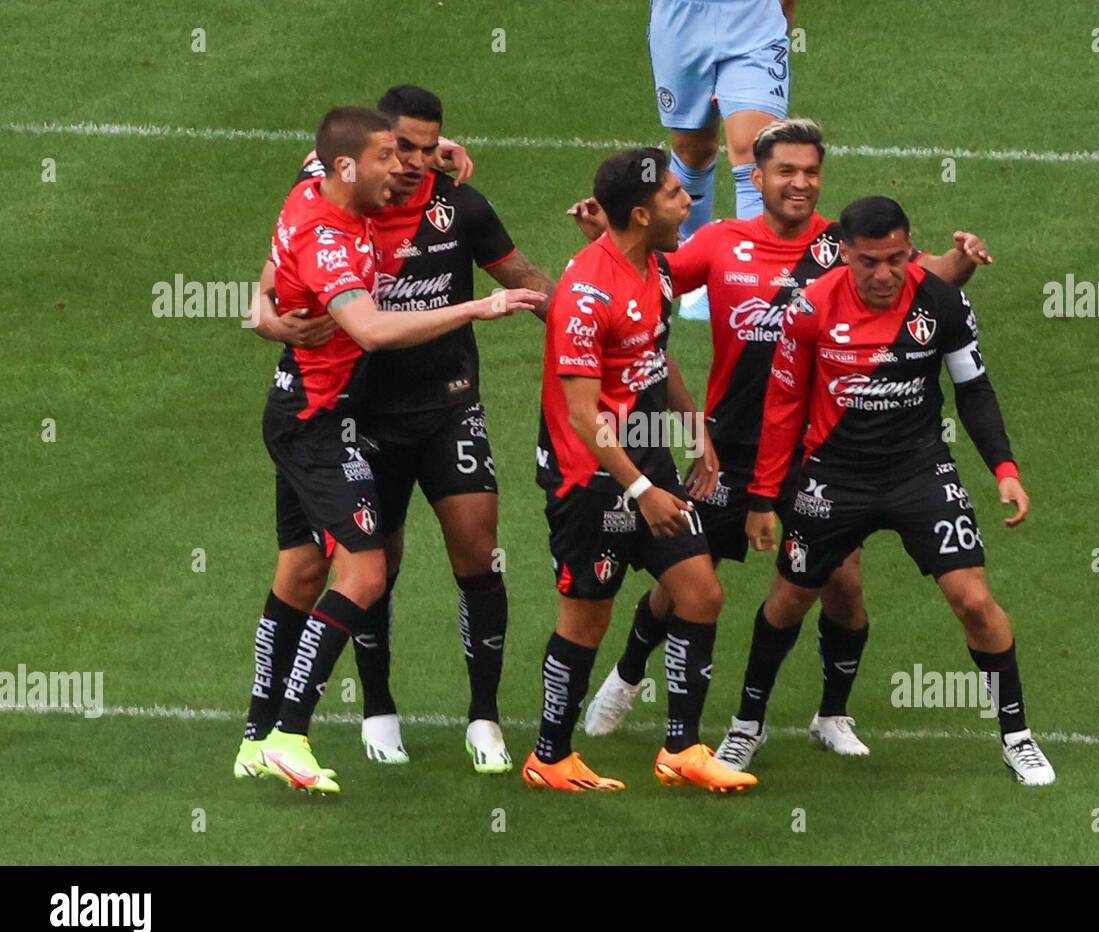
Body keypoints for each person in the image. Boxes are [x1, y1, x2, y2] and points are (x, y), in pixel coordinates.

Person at [569, 119, 992, 763]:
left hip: (821, 454)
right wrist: (607, 235)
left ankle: (832, 714)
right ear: (756, 176)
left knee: (842, 585)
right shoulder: (719, 243)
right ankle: (627, 676)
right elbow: (646, 272)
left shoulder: (841, 245)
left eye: (810, 171)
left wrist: (961, 259)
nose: (800, 182)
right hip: (730, 449)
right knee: (687, 575)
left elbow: (918, 283)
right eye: (786, 170)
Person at [236, 105, 543, 793]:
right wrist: (479, 308)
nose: (402, 168)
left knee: (299, 571)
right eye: (389, 155)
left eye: (414, 153)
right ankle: (291, 732)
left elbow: (332, 156)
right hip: (322, 419)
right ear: (351, 165)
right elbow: (370, 330)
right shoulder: (330, 237)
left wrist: (263, 311)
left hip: (308, 408)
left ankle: (257, 737)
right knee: (366, 575)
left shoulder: (315, 183)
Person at [734, 195, 1054, 785]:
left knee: (974, 601)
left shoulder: (942, 302)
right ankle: (746, 726)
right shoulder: (809, 309)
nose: (883, 275)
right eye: (868, 262)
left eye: (897, 259)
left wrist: (1005, 471)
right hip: (833, 476)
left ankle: (1018, 737)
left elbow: (975, 391)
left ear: (911, 250)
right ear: (845, 256)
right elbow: (782, 407)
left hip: (919, 471)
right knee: (789, 601)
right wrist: (761, 498)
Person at [521, 147, 755, 794]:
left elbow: (655, 355)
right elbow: (580, 415)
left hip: (646, 459)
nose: (690, 202)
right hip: (590, 480)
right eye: (679, 194)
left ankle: (681, 749)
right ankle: (549, 756)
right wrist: (644, 490)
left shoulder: (657, 267)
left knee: (701, 592)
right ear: (643, 212)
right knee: (586, 621)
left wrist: (693, 426)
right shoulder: (585, 293)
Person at [648, 0, 797, 319]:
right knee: (693, 149)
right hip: (681, 21)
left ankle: (755, 283)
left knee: (755, 154)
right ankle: (691, 268)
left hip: (754, 19)